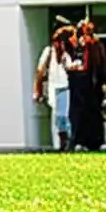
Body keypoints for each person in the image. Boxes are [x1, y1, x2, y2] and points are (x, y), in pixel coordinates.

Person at [62, 20, 106, 152]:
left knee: (92, 113)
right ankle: (77, 140)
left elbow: (100, 64)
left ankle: (93, 141)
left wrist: (102, 82)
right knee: (77, 113)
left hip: (91, 83)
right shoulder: (73, 44)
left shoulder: (95, 44)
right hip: (77, 82)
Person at [33, 16, 72, 151]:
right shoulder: (49, 52)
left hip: (68, 87)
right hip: (55, 87)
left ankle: (66, 144)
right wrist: (37, 90)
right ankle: (59, 146)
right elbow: (40, 72)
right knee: (57, 117)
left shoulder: (68, 53)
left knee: (65, 117)